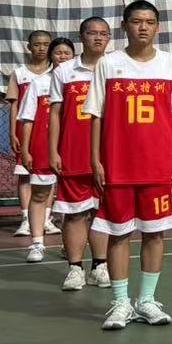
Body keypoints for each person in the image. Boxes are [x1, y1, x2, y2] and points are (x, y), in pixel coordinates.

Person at [86, 0, 172, 329]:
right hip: (118, 164)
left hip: (157, 164)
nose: (143, 27)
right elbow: (96, 115)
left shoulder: (171, 64)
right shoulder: (109, 64)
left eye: (149, 22)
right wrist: (96, 159)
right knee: (118, 234)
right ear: (124, 26)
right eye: (136, 21)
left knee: (154, 233)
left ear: (157, 27)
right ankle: (121, 303)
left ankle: (146, 300)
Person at [47, 18, 113, 290]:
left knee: (102, 211)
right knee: (75, 213)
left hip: (110, 153)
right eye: (92, 33)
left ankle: (100, 266)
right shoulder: (64, 71)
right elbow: (55, 113)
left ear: (109, 38)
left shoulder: (117, 67)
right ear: (81, 36)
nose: (98, 38)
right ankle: (75, 268)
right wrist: (53, 150)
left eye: (103, 34)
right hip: (74, 151)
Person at [16, 36, 70, 262]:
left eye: (67, 53)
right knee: (40, 193)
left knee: (71, 197)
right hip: (42, 147)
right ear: (51, 55)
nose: (62, 56)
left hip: (72, 147)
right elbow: (27, 118)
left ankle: (70, 243)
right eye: (58, 52)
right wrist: (26, 150)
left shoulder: (80, 81)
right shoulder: (39, 83)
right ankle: (37, 243)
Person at [7, 30, 56, 239]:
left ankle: (46, 219)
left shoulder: (58, 72)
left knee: (49, 176)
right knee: (25, 175)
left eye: (46, 44)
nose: (42, 48)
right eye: (37, 44)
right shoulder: (19, 74)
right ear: (29, 47)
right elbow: (14, 105)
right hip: (26, 131)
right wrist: (12, 132)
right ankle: (26, 219)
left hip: (50, 132)